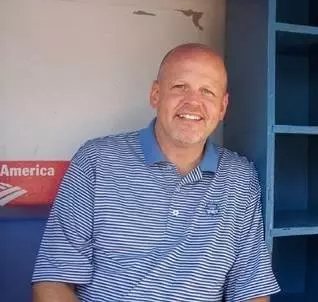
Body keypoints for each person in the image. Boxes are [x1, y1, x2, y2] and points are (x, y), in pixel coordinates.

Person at [32, 43, 280, 302]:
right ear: (155, 94)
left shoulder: (240, 178)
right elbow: (54, 280)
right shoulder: (96, 160)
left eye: (207, 91)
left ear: (222, 107)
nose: (193, 102)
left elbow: (251, 289)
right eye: (179, 87)